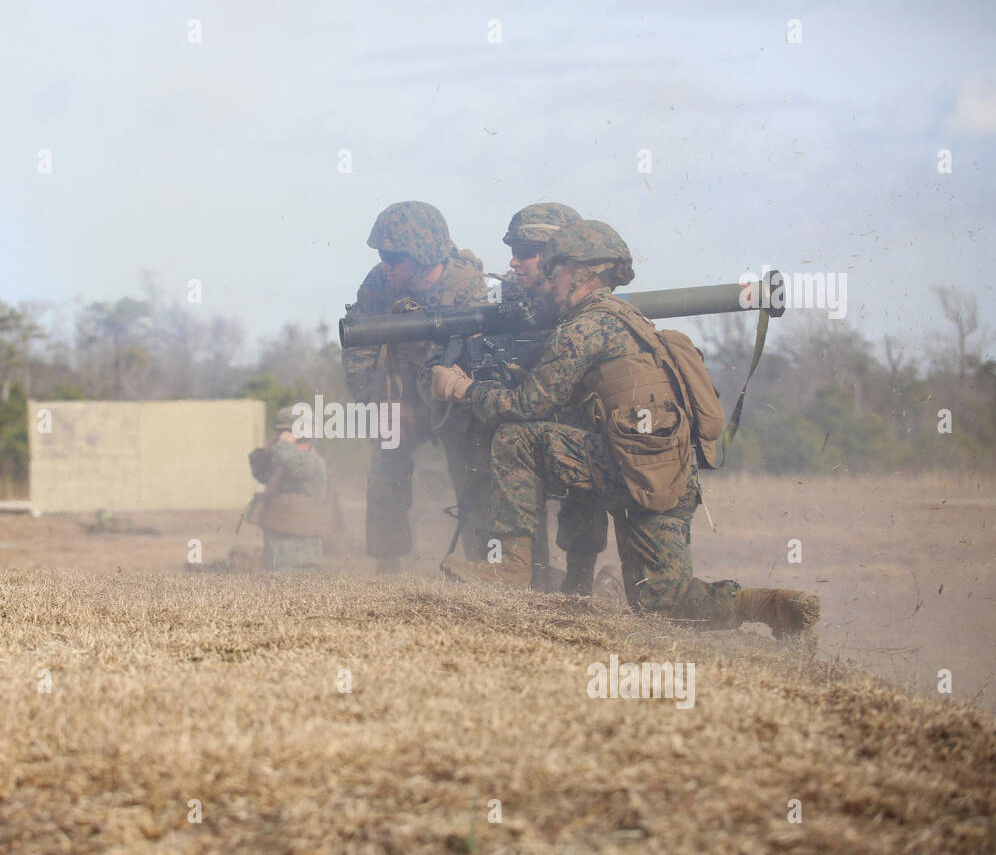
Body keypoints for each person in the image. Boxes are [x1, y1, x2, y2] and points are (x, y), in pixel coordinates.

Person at [430, 220, 820, 638]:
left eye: (556, 269)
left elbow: (525, 407)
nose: (549, 279)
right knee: (661, 600)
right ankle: (769, 604)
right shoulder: (630, 321)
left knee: (517, 439)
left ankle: (508, 569)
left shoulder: (582, 328)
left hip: (627, 468)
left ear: (582, 272)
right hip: (667, 474)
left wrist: (463, 388)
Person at [340, 201, 490, 572]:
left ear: (424, 256)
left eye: (393, 256)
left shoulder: (468, 287)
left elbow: (486, 357)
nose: (384, 264)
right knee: (386, 468)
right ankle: (386, 564)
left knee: (473, 474)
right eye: (381, 255)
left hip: (456, 395)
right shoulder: (378, 283)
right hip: (402, 392)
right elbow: (359, 347)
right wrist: (378, 404)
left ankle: (481, 564)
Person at [495, 203, 612, 595]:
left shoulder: (588, 313)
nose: (514, 262)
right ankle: (528, 574)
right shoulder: (509, 308)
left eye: (526, 252)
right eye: (513, 251)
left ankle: (578, 584)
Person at [245, 406, 332, 571]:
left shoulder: (312, 462)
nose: (279, 438)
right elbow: (260, 473)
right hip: (276, 556)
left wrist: (284, 445)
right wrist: (266, 450)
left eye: (285, 433)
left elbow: (297, 464)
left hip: (302, 560)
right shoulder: (283, 462)